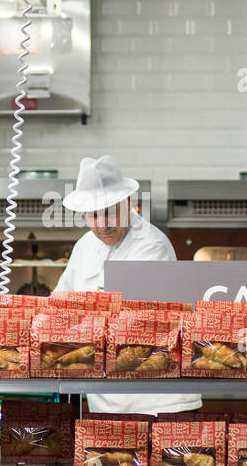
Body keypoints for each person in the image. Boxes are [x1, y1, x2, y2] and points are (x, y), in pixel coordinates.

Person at [55, 155, 201, 416]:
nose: (102, 225)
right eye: (93, 215)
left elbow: (135, 325)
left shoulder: (150, 245)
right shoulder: (84, 247)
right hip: (106, 397)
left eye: (110, 212)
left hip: (159, 400)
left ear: (128, 204)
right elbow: (60, 303)